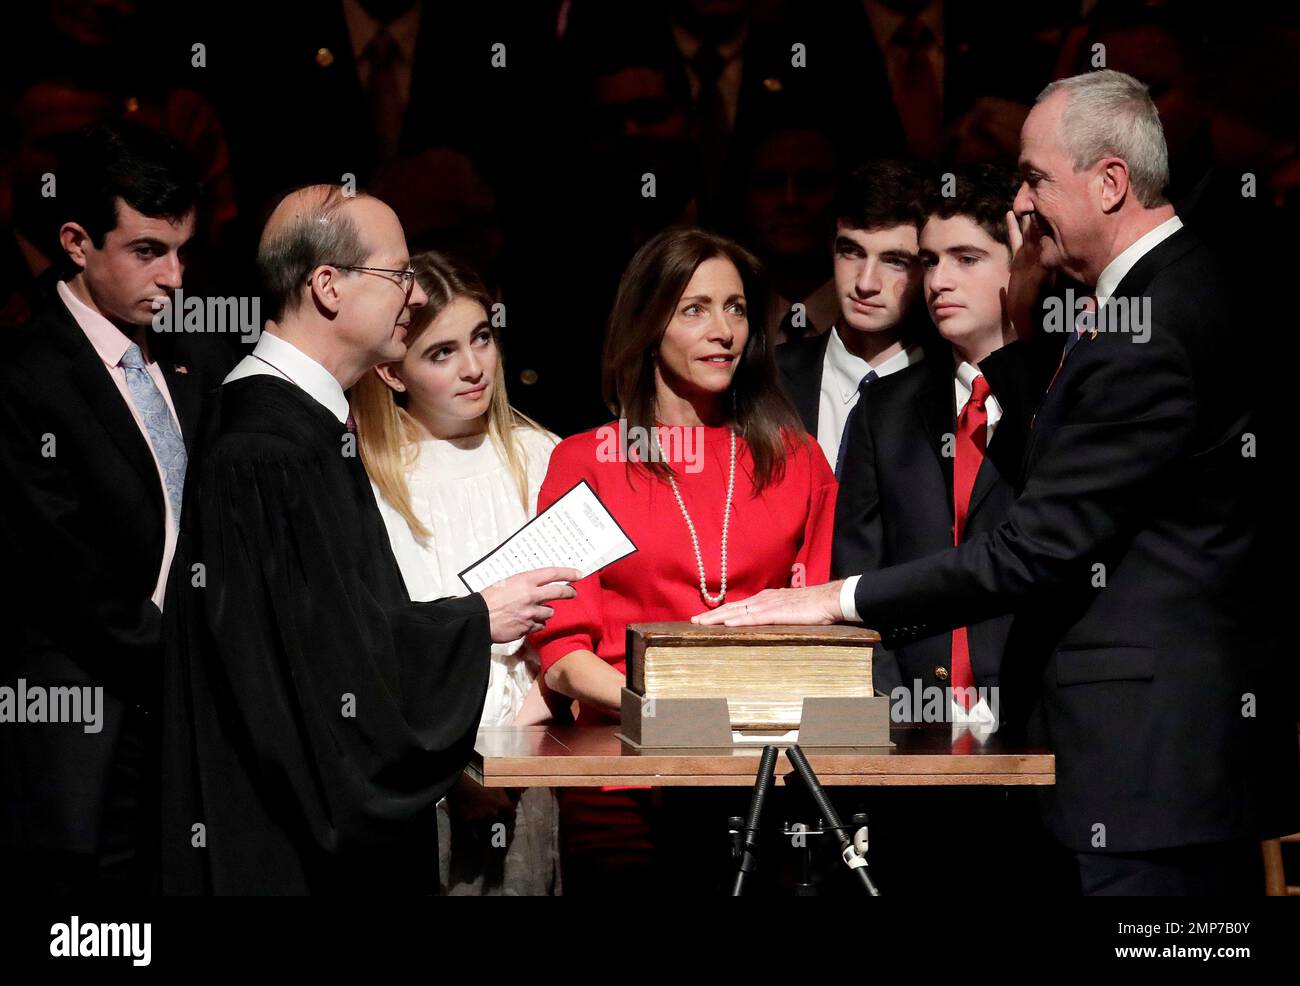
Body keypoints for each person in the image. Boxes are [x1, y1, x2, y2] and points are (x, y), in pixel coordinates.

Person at [696, 70, 1300, 895]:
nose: (1020, 203)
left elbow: (1034, 544)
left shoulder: (1150, 327)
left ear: (1111, 181)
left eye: (1035, 178)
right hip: (1156, 772)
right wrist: (1021, 322)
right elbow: (1057, 469)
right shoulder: (1177, 291)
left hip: (1147, 775)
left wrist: (832, 599)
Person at [161, 185, 576, 894]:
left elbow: (340, 632)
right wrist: (474, 622)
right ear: (327, 286)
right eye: (397, 275)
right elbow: (319, 679)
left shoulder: (306, 433)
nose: (414, 297)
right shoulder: (267, 450)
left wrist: (470, 623)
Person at [529, 227, 837, 894]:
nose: (721, 329)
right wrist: (666, 716)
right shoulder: (586, 461)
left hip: (757, 774)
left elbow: (821, 628)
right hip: (619, 774)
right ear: (648, 324)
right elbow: (561, 650)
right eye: (694, 309)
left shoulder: (796, 460)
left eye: (734, 308)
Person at [0, 123, 232, 894]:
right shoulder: (26, 378)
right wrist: (192, 662)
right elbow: (64, 570)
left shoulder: (191, 357)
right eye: (146, 251)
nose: (174, 276)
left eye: (181, 250)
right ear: (75, 241)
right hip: (86, 731)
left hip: (185, 728)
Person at [832, 163, 1066, 894]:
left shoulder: (1065, 394)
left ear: (1020, 263)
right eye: (929, 260)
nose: (938, 280)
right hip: (914, 753)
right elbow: (857, 578)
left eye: (966, 259)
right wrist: (897, 722)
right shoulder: (884, 410)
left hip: (1044, 745)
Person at [351, 250, 562, 895]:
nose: (474, 368)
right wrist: (456, 772)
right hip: (418, 781)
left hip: (535, 759)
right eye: (441, 353)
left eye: (482, 339)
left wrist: (515, 754)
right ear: (392, 371)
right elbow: (376, 643)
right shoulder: (368, 476)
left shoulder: (540, 457)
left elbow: (577, 618)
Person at [775, 159, 931, 476]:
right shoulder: (768, 377)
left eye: (895, 261)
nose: (865, 283)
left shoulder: (953, 390)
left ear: (928, 268)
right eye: (852, 252)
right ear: (831, 247)